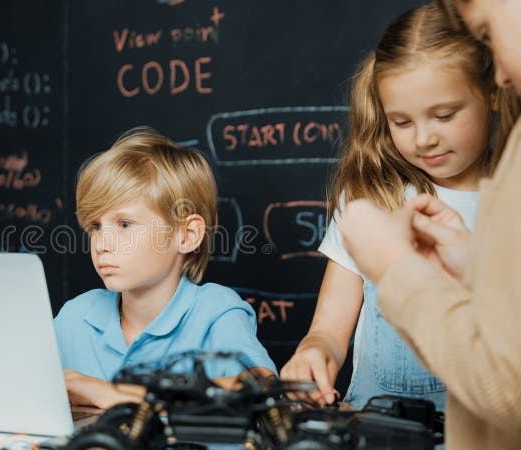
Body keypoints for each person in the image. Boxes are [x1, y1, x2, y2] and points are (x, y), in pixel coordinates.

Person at [280, 3, 519, 410]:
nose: (423, 138)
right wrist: (315, 351)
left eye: (444, 115)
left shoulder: (510, 198)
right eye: (402, 122)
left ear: (492, 93)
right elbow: (327, 329)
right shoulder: (373, 198)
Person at [55, 127, 276, 409]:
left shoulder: (214, 311)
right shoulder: (76, 317)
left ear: (186, 235)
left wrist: (113, 393)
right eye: (96, 226)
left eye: (124, 224)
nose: (101, 244)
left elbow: (261, 384)